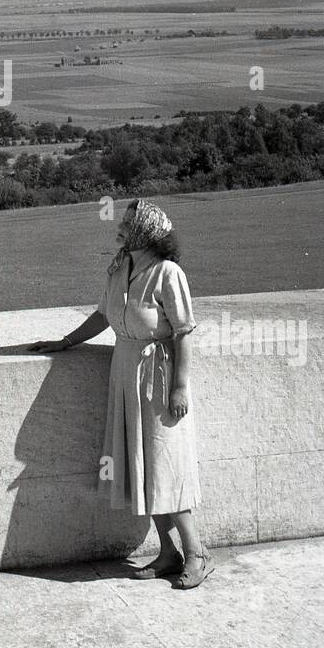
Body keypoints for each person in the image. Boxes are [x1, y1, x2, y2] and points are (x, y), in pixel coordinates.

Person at [32, 200, 214, 588]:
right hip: (125, 372)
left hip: (158, 378)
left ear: (146, 231)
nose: (121, 225)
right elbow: (103, 315)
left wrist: (180, 387)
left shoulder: (168, 273)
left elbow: (183, 332)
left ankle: (197, 553)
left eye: (129, 222)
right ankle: (168, 553)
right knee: (140, 467)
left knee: (166, 467)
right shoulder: (120, 268)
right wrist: (65, 342)